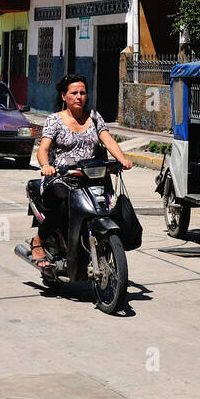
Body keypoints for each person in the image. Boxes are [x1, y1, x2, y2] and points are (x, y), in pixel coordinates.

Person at [31, 74, 133, 270]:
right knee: (65, 203)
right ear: (64, 96)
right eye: (74, 93)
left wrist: (123, 160)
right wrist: (46, 166)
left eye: (82, 93)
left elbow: (109, 140)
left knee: (109, 206)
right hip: (61, 177)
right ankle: (38, 241)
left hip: (91, 176)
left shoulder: (94, 117)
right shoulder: (55, 120)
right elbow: (43, 149)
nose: (79, 96)